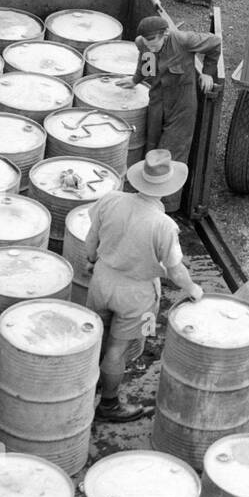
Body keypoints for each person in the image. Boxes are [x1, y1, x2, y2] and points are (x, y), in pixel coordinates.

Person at [84, 149, 204, 422]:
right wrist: (193, 289)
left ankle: (88, 387)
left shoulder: (111, 200)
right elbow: (175, 270)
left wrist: (92, 262)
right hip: (135, 291)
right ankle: (110, 404)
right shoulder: (164, 225)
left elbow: (90, 241)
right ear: (167, 188)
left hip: (102, 279)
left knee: (95, 338)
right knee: (117, 349)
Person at [119, 15, 221, 162]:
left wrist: (207, 73)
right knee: (152, 145)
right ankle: (151, 180)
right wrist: (135, 80)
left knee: (173, 151)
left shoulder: (183, 40)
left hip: (181, 103)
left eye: (154, 44)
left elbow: (215, 43)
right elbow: (148, 68)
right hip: (158, 100)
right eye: (147, 43)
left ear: (165, 34)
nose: (150, 47)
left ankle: (172, 183)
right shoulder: (143, 43)